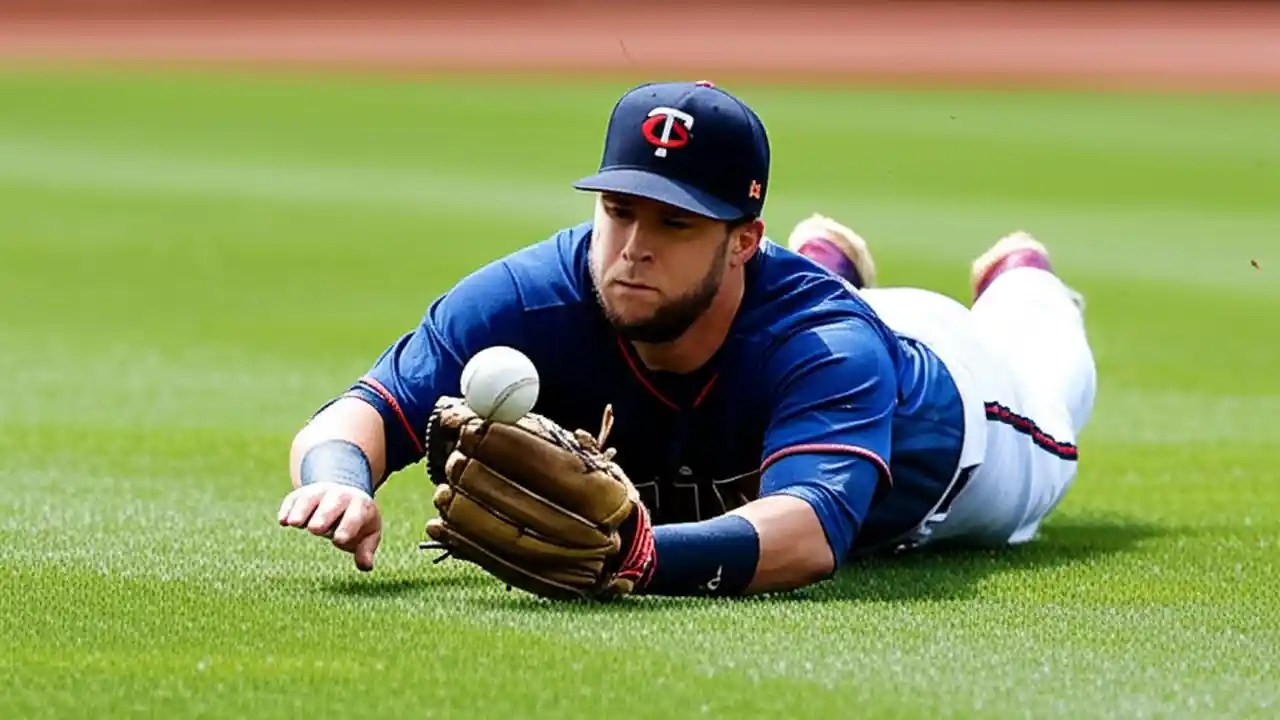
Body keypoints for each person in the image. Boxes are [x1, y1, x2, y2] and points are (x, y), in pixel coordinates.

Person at [277, 80, 1097, 597]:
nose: (634, 247)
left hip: (967, 411)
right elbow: (358, 413)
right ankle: (826, 261)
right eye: (619, 210)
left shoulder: (828, 345)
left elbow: (807, 537)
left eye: (675, 223)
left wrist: (639, 557)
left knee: (1052, 383)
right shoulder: (529, 298)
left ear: (743, 239)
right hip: (783, 328)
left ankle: (1022, 277)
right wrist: (341, 480)